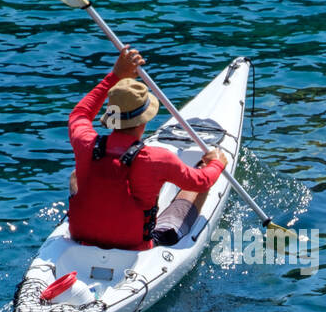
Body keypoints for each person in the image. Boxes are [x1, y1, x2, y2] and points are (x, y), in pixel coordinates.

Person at [66, 46, 227, 250]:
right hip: (135, 244)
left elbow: (79, 114)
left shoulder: (85, 143)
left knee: (76, 174)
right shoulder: (157, 158)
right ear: (144, 121)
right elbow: (201, 182)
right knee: (192, 187)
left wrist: (115, 75)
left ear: (111, 117)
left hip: (81, 233)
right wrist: (216, 163)